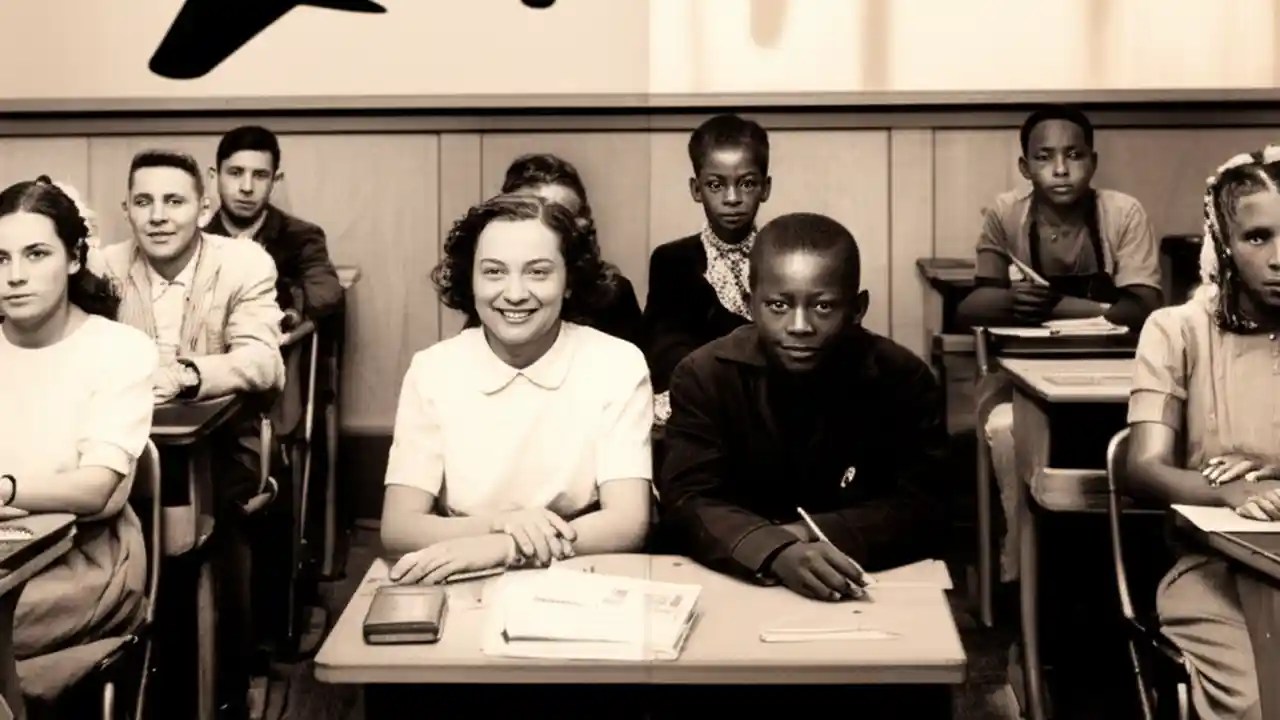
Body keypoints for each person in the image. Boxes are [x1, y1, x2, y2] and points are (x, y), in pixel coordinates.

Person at [657, 212, 949, 600]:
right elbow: (688, 500)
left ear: (857, 309)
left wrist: (803, 534)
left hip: (868, 577)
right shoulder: (704, 375)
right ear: (749, 303)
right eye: (778, 305)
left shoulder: (901, 378)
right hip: (735, 573)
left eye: (823, 307)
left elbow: (925, 504)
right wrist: (774, 550)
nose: (799, 325)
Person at [381, 194, 652, 584]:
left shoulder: (617, 364)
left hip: (584, 570)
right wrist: (503, 525)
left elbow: (627, 523)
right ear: (469, 278)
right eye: (493, 272)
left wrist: (505, 547)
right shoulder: (433, 369)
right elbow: (399, 529)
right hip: (460, 571)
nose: (514, 293)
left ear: (569, 280)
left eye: (538, 272)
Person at [101, 149, 284, 720]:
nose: (158, 216)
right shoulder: (102, 269)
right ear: (126, 211)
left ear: (203, 209)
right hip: (125, 442)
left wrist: (185, 376)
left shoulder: (244, 263)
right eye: (144, 202)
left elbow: (261, 363)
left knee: (207, 535)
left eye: (174, 202)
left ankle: (217, 689)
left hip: (221, 440)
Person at [956, 105, 1164, 582]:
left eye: (1074, 155)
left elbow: (1145, 308)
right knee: (1007, 432)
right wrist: (1014, 300)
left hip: (1114, 374)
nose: (1062, 169)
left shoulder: (1121, 213)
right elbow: (971, 308)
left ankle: (1117, 569)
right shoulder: (1006, 214)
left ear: (1093, 161)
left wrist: (1052, 304)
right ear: (1025, 167)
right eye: (1045, 157)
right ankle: (1021, 564)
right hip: (1018, 377)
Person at [1125, 146, 1280, 720]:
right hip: (1214, 572)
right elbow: (1139, 467)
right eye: (1258, 238)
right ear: (1223, 242)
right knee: (1259, 700)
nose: (1278, 258)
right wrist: (1229, 492)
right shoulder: (1178, 330)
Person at [0, 178, 156, 712]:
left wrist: (5, 488)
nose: (14, 276)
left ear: (73, 258)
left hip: (84, 559)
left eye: (36, 254)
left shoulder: (120, 349)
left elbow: (95, 490)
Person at [642, 114, 772, 425]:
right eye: (716, 185)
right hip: (705, 404)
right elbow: (665, 352)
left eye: (747, 184)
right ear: (696, 189)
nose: (732, 198)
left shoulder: (782, 256)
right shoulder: (672, 260)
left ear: (765, 188)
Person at [202, 125, 344, 330]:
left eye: (260, 175)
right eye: (235, 173)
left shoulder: (302, 238)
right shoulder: (197, 239)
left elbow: (327, 297)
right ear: (214, 176)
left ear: (275, 181)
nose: (247, 187)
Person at [499, 153, 644, 347]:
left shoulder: (612, 294)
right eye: (529, 216)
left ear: (581, 226)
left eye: (559, 219)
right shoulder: (493, 287)